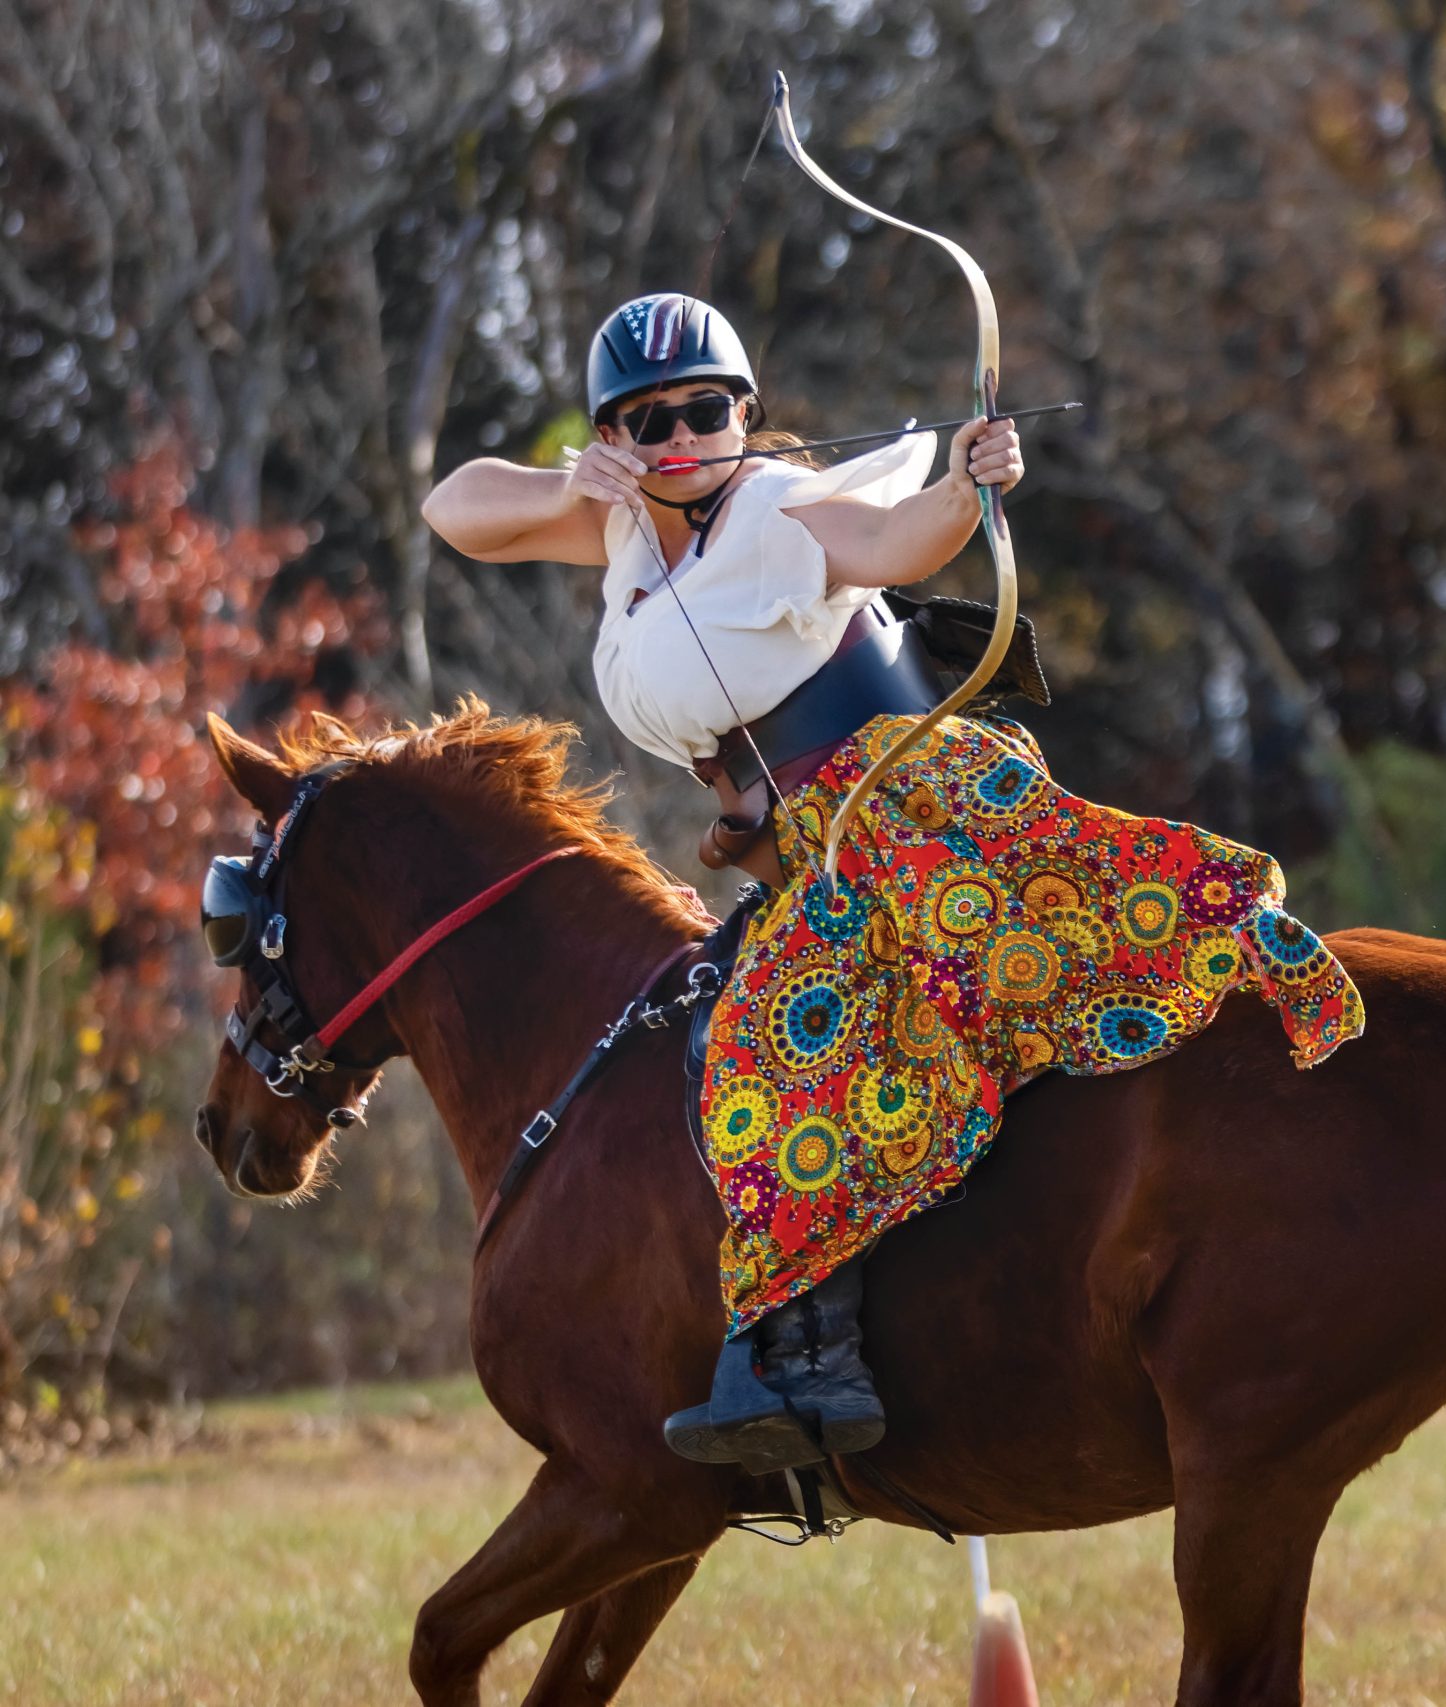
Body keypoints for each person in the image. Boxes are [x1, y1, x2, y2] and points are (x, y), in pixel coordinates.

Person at [423, 294, 1365, 1477]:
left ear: (746, 414)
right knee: (735, 1030)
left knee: (783, 1034)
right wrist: (575, 489)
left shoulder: (774, 506)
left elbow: (889, 545)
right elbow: (452, 509)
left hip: (893, 804)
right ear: (611, 432)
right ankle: (803, 1342)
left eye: (704, 410)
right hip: (804, 845)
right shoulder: (620, 531)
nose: (678, 437)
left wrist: (969, 486)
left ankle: (810, 1364)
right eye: (645, 417)